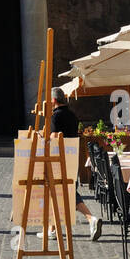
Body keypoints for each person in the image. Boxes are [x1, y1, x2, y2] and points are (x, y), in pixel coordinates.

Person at [50, 87, 102, 241]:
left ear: (53, 100)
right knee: (63, 192)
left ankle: (91, 218)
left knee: (65, 192)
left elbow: (54, 137)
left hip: (59, 159)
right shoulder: (72, 115)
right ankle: (52, 229)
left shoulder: (56, 116)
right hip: (73, 158)